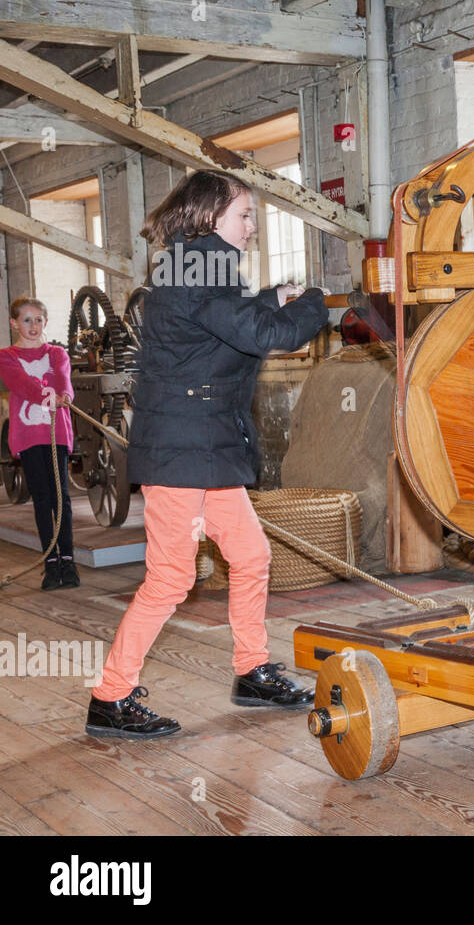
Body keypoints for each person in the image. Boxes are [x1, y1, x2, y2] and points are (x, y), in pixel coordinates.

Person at [86, 170, 329, 739]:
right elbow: (260, 334)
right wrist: (313, 302)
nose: (252, 228)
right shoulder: (199, 270)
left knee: (250, 556)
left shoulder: (194, 265)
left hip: (205, 445)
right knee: (170, 579)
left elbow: (221, 323)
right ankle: (110, 696)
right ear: (210, 215)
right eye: (244, 215)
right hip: (182, 449)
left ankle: (251, 671)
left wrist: (274, 297)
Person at [1, 298, 79, 590]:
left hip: (55, 431)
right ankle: (51, 563)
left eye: (38, 320)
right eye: (26, 320)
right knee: (43, 497)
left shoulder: (57, 353)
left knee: (62, 498)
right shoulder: (6, 356)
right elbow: (21, 383)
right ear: (14, 323)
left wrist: (66, 397)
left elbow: (63, 378)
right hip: (29, 435)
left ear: (45, 322)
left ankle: (68, 562)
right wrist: (51, 398)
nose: (33, 326)